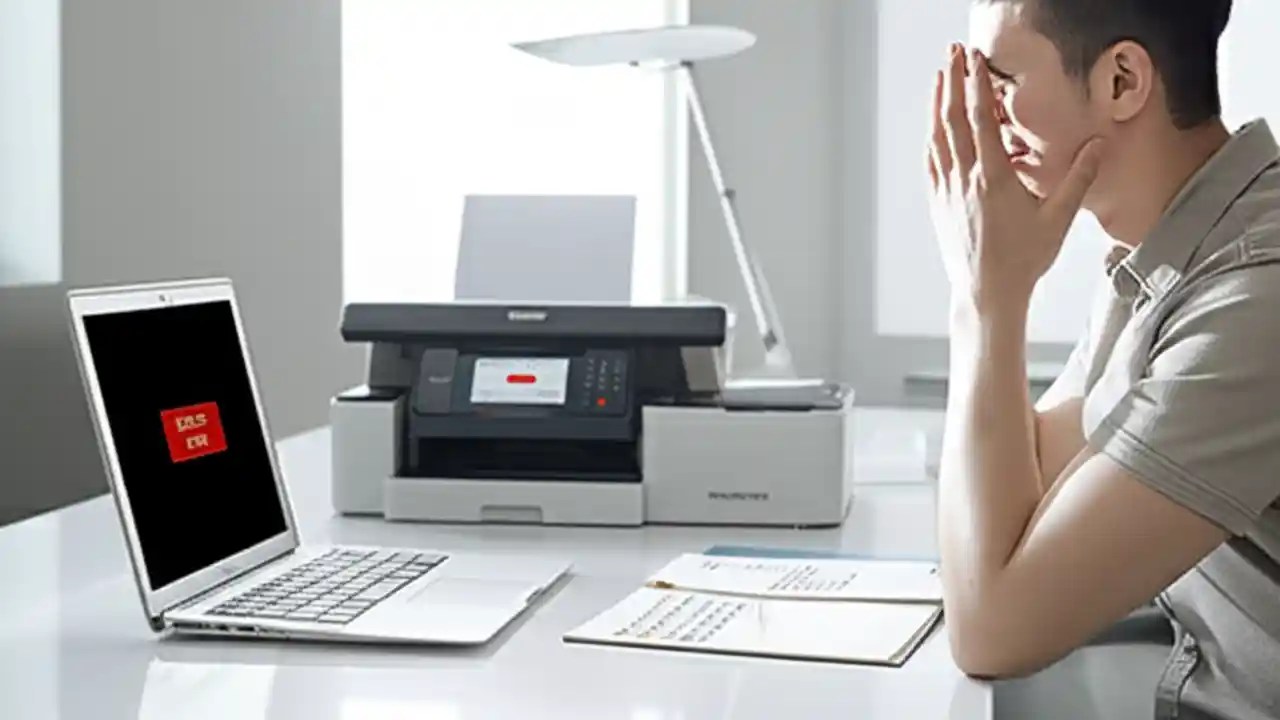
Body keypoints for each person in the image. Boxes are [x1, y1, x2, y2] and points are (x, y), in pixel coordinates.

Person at [925, 0, 1280, 718]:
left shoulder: (1253, 297)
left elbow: (990, 630)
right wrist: (989, 291)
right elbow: (1026, 478)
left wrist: (985, 297)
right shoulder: (1172, 253)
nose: (982, 119)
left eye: (999, 80)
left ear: (1122, 81)